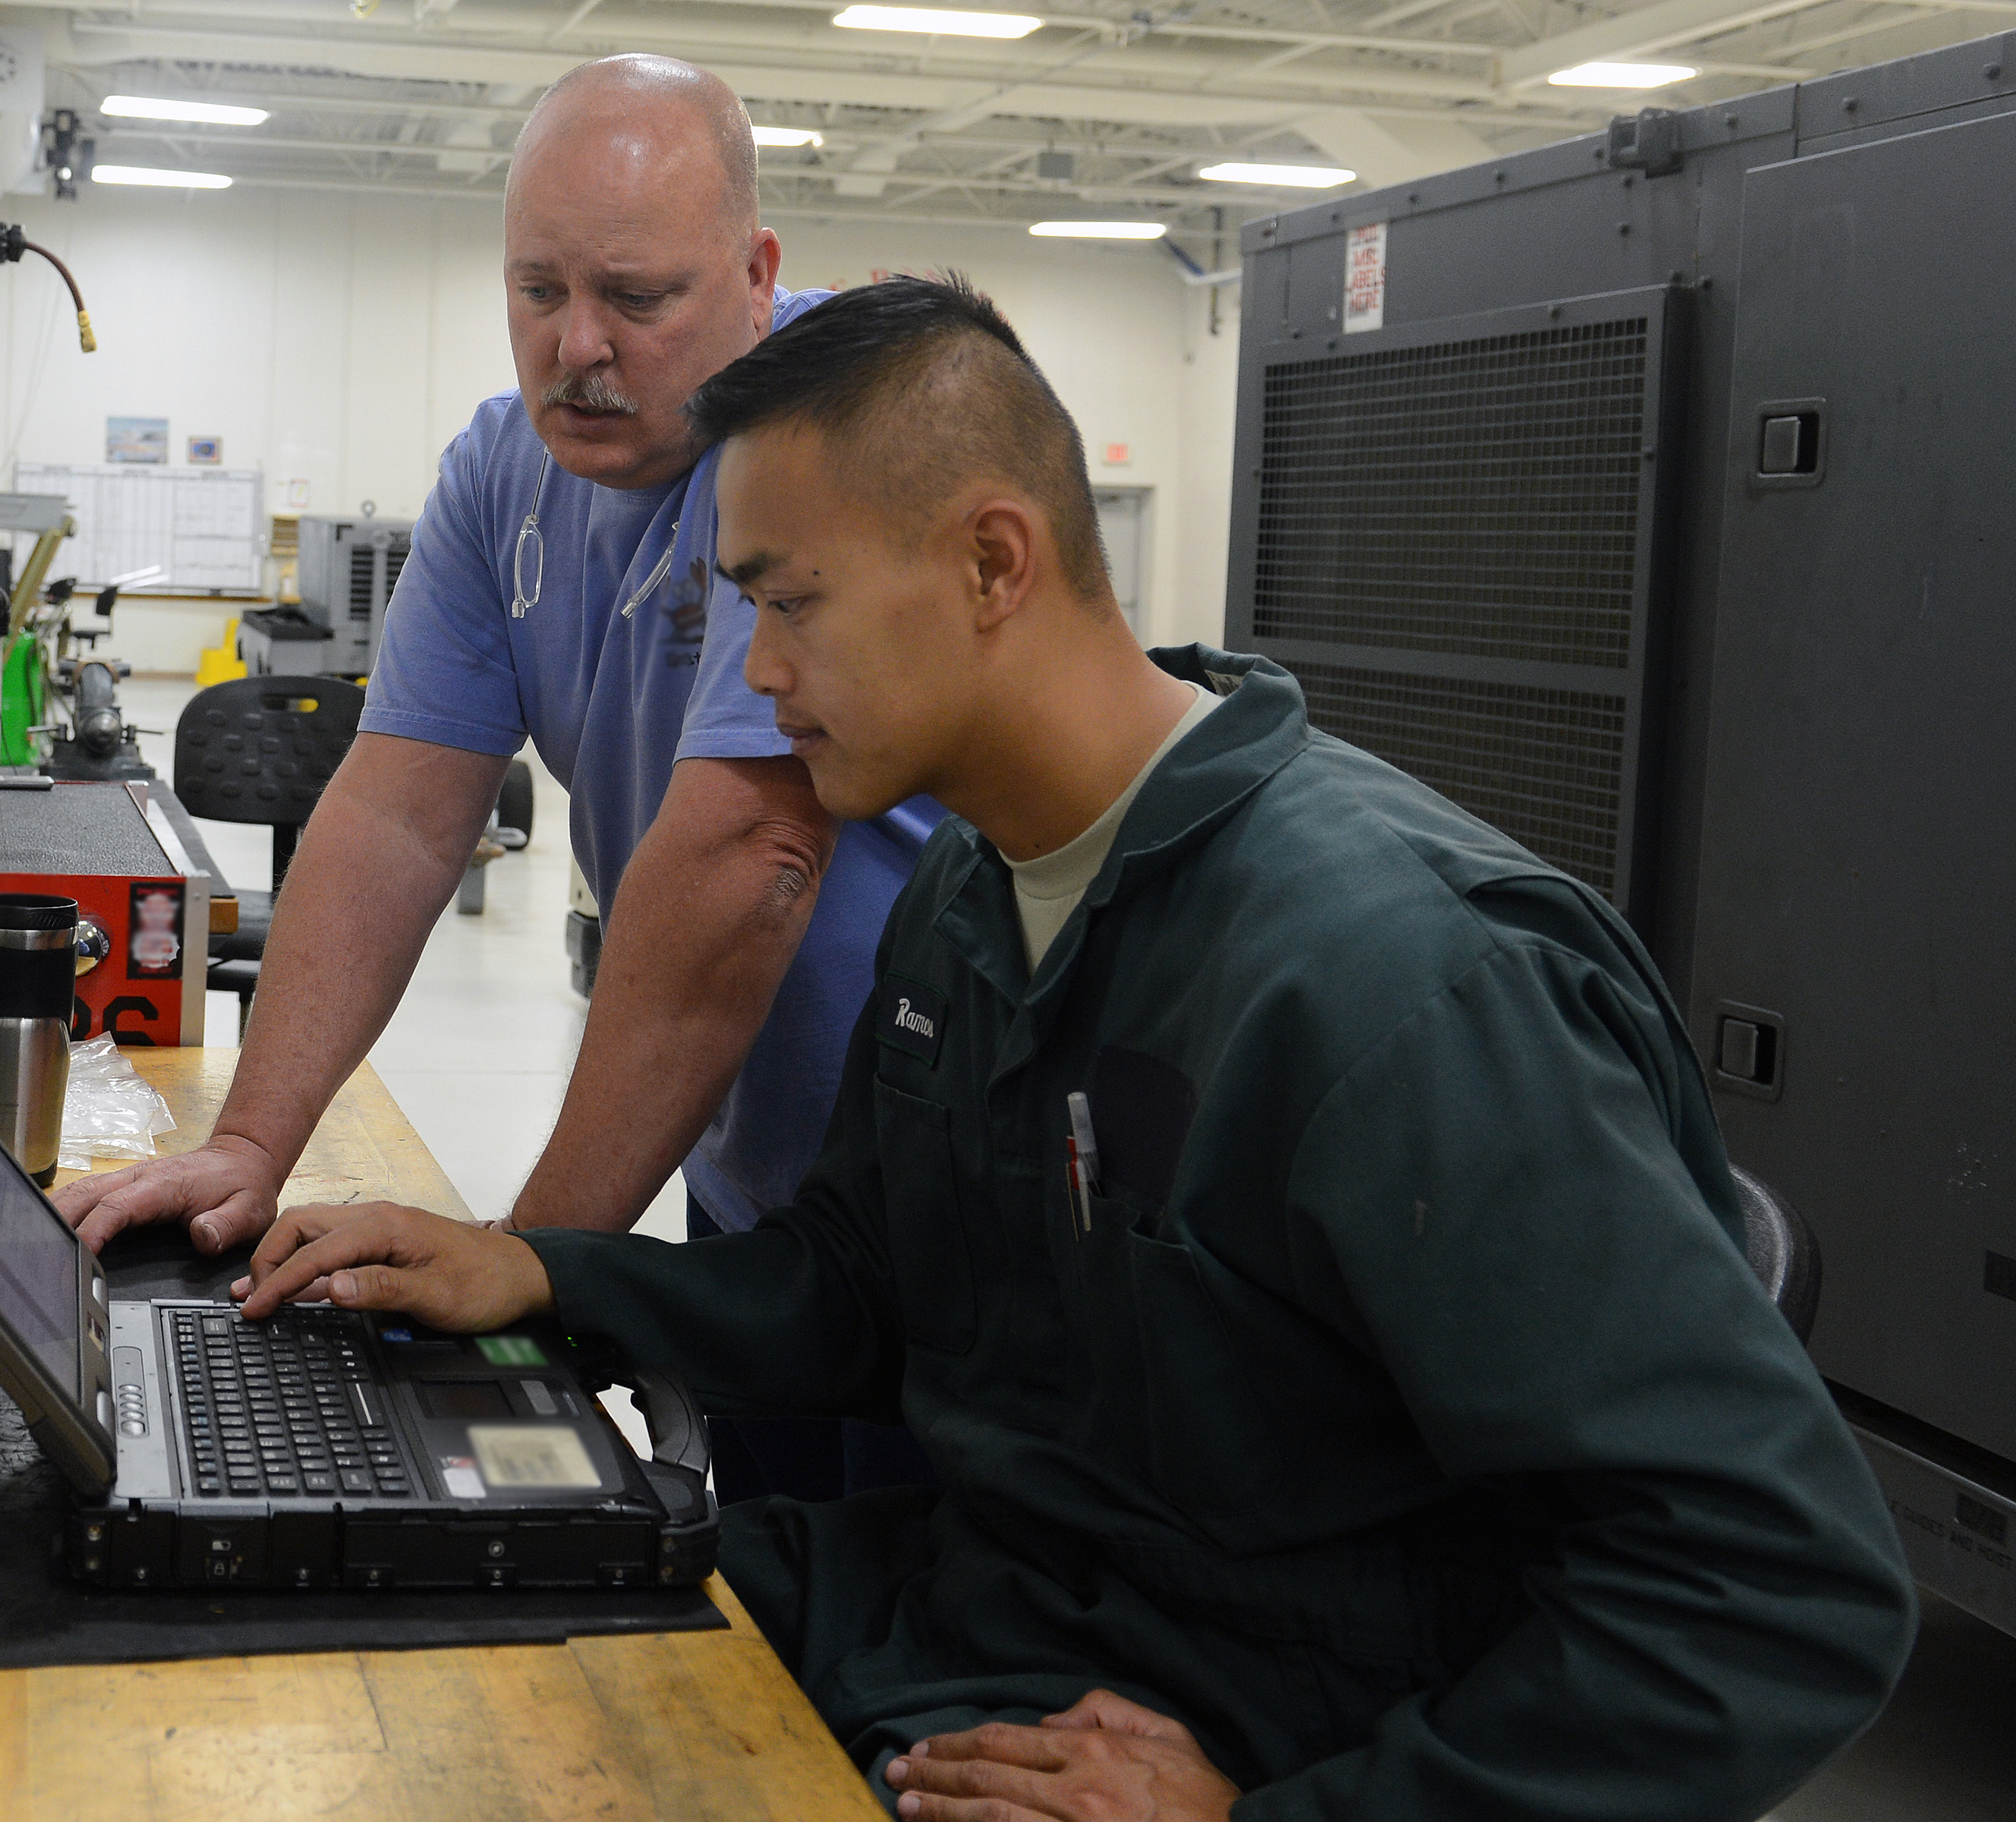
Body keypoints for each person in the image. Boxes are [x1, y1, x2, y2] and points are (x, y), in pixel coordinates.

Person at [223, 277, 1918, 1820]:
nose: (760, 671)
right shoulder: (978, 890)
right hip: (977, 1616)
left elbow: (1778, 1588)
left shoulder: (1398, 986)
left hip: (1237, 1725)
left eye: (790, 602)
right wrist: (535, 1274)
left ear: (991, 564)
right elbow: (861, 1292)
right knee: (413, 1613)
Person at [55, 54, 938, 1502]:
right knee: (768, 1611)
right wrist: (252, 1146)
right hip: (752, 1187)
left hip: (955, 1207)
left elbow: (747, 863)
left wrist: (534, 1261)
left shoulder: (830, 428)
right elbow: (400, 811)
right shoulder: (501, 471)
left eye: (638, 299)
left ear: (759, 272)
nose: (577, 346)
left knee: (922, 1663)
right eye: (539, 291)